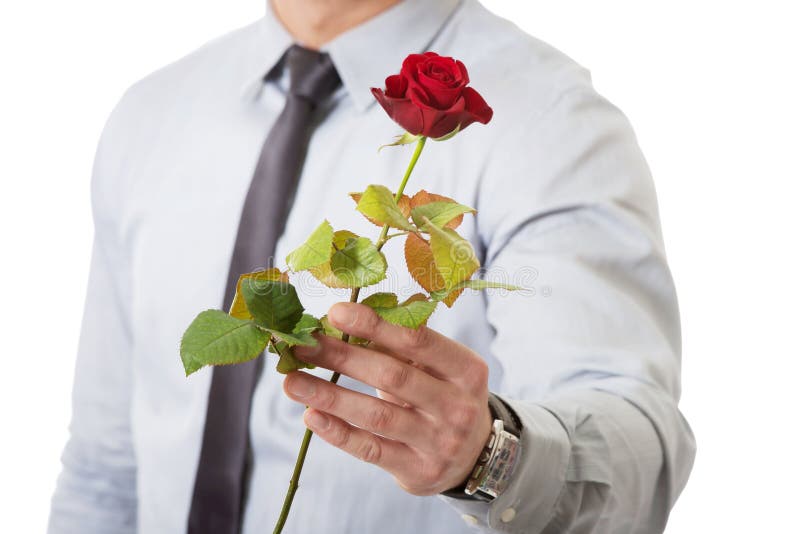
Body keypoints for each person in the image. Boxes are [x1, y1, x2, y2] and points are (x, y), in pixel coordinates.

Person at [47, 0, 696, 532]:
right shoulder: (151, 115)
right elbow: (105, 469)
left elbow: (638, 440)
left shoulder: (549, 123)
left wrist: (489, 457)